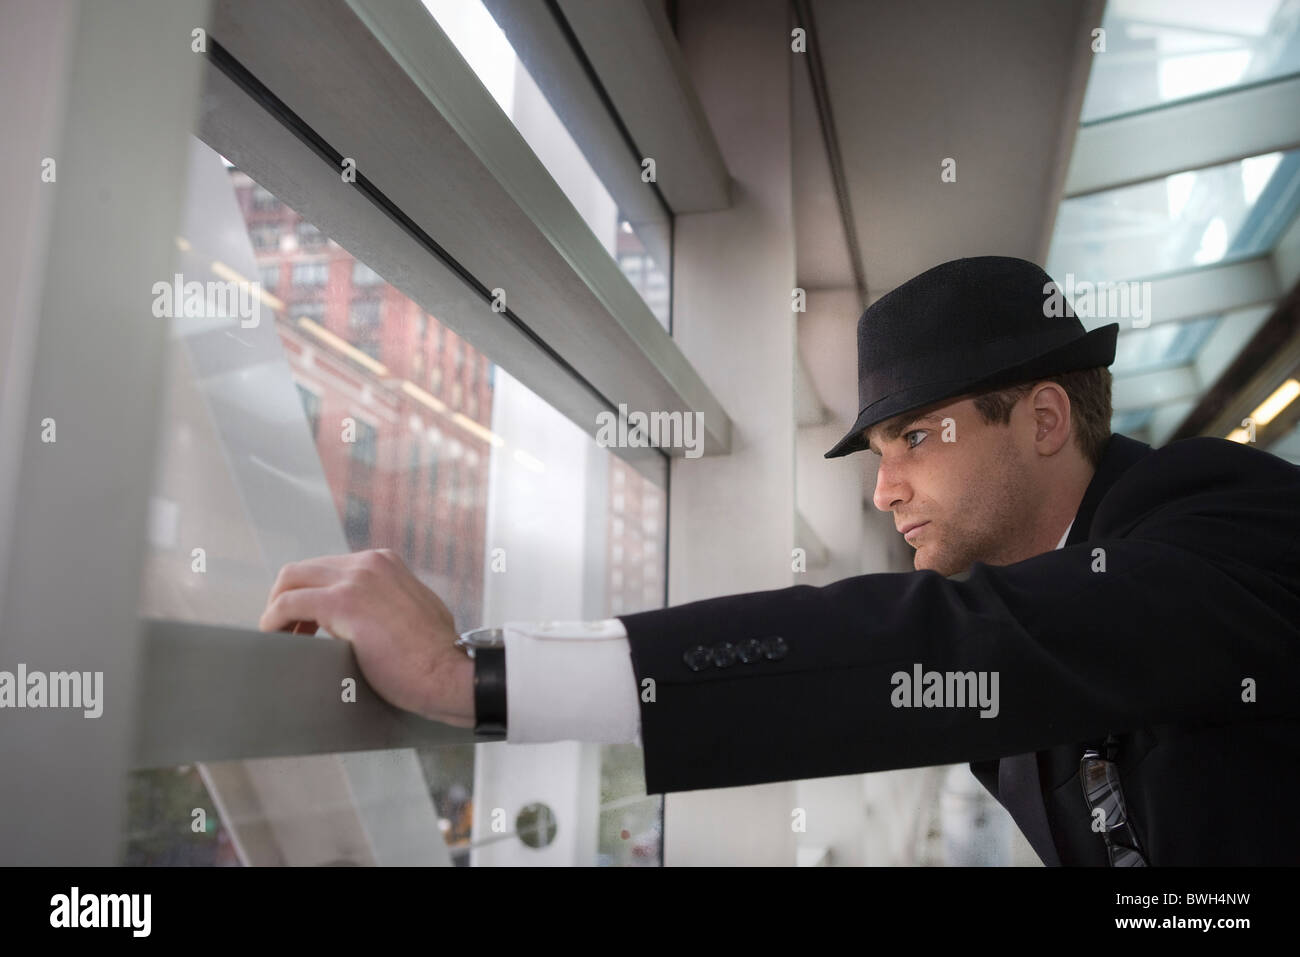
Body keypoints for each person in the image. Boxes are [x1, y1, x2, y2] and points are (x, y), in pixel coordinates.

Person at [259, 256, 1300, 865]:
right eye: (876, 453)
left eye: (915, 440)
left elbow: (944, 641)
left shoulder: (1220, 519)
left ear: (1036, 421)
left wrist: (478, 677)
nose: (884, 489)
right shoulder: (1016, 682)